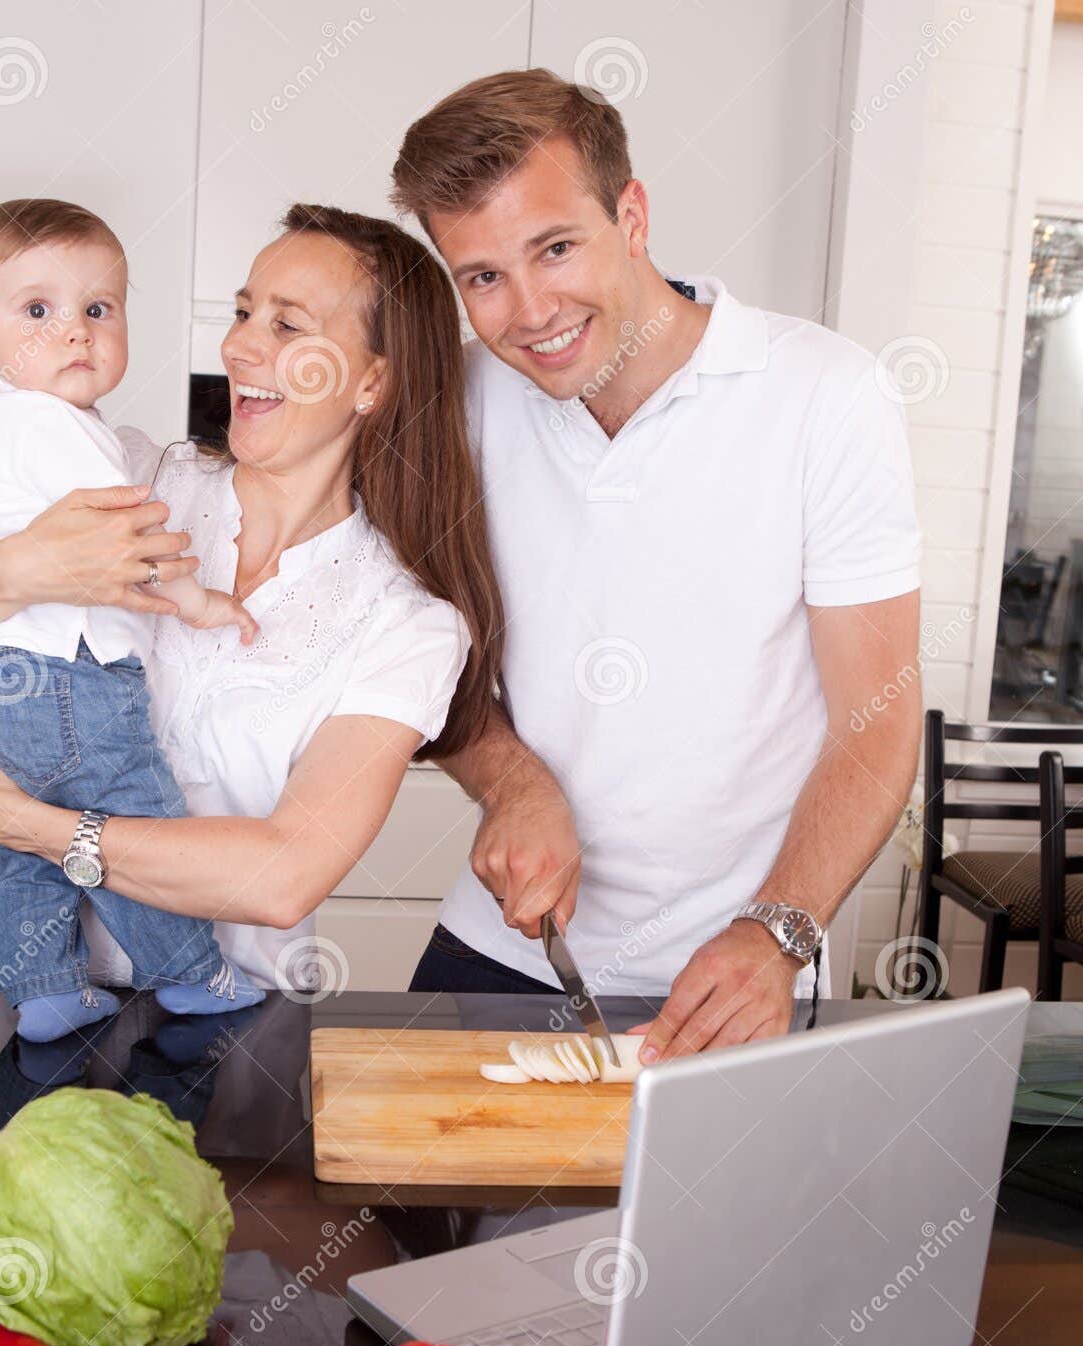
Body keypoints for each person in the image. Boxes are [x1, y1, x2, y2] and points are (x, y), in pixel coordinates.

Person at [393, 69, 923, 1060]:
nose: (530, 309)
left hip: (740, 962)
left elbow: (878, 716)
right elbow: (427, 662)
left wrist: (782, 931)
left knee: (711, 1219)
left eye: (555, 248)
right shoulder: (456, 404)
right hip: (512, 941)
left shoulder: (828, 397)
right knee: (388, 1206)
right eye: (482, 277)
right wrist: (511, 784)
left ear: (631, 216)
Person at [0, 205, 502, 994]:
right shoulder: (127, 476)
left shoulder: (409, 623)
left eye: (288, 325)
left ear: (373, 380)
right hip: (16, 990)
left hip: (224, 1030)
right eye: (243, 311)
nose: (240, 345)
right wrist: (19, 567)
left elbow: (283, 874)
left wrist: (34, 830)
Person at [0, 198, 262, 1040]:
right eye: (37, 312)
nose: (75, 331)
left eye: (98, 309)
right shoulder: (60, 427)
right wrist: (195, 599)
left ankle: (46, 992)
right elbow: (128, 533)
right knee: (131, 823)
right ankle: (189, 975)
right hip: (65, 678)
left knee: (30, 844)